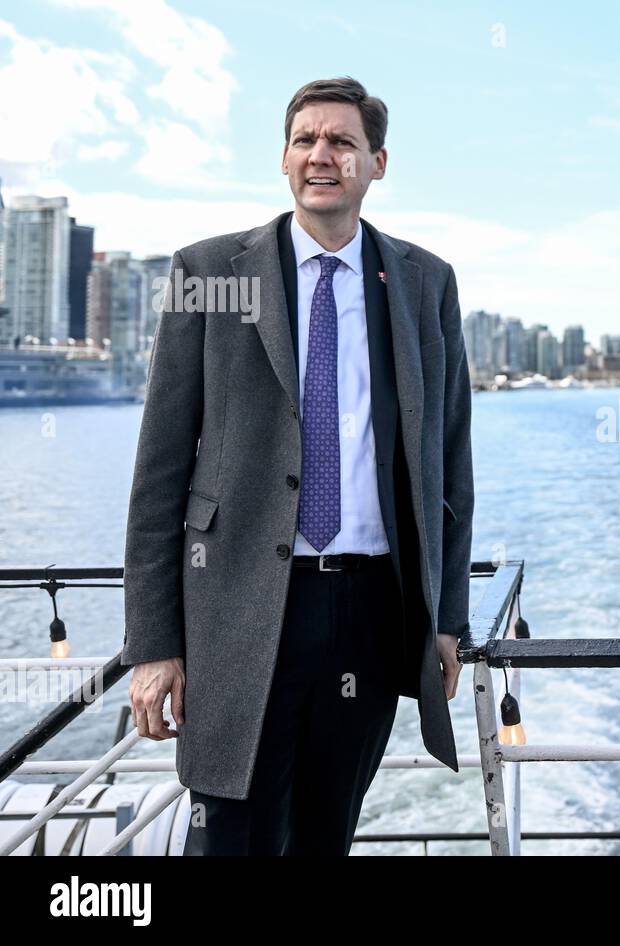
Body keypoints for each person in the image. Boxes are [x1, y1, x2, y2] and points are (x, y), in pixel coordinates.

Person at [122, 76, 474, 855]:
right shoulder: (207, 271)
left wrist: (447, 619)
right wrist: (153, 643)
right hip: (241, 613)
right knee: (230, 838)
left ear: (376, 163)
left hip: (369, 615)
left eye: (342, 142)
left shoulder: (424, 283)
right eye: (306, 139)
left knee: (325, 835)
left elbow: (449, 465)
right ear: (283, 158)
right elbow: (158, 475)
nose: (322, 155)